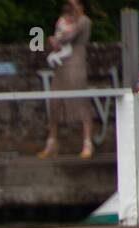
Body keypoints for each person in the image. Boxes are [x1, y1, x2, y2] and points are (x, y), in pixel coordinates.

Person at [40, 1, 95, 160]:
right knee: (54, 101)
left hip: (76, 63)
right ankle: (52, 142)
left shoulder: (84, 21)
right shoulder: (64, 19)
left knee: (80, 102)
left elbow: (69, 37)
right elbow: (59, 40)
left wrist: (57, 39)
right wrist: (54, 42)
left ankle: (87, 142)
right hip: (62, 66)